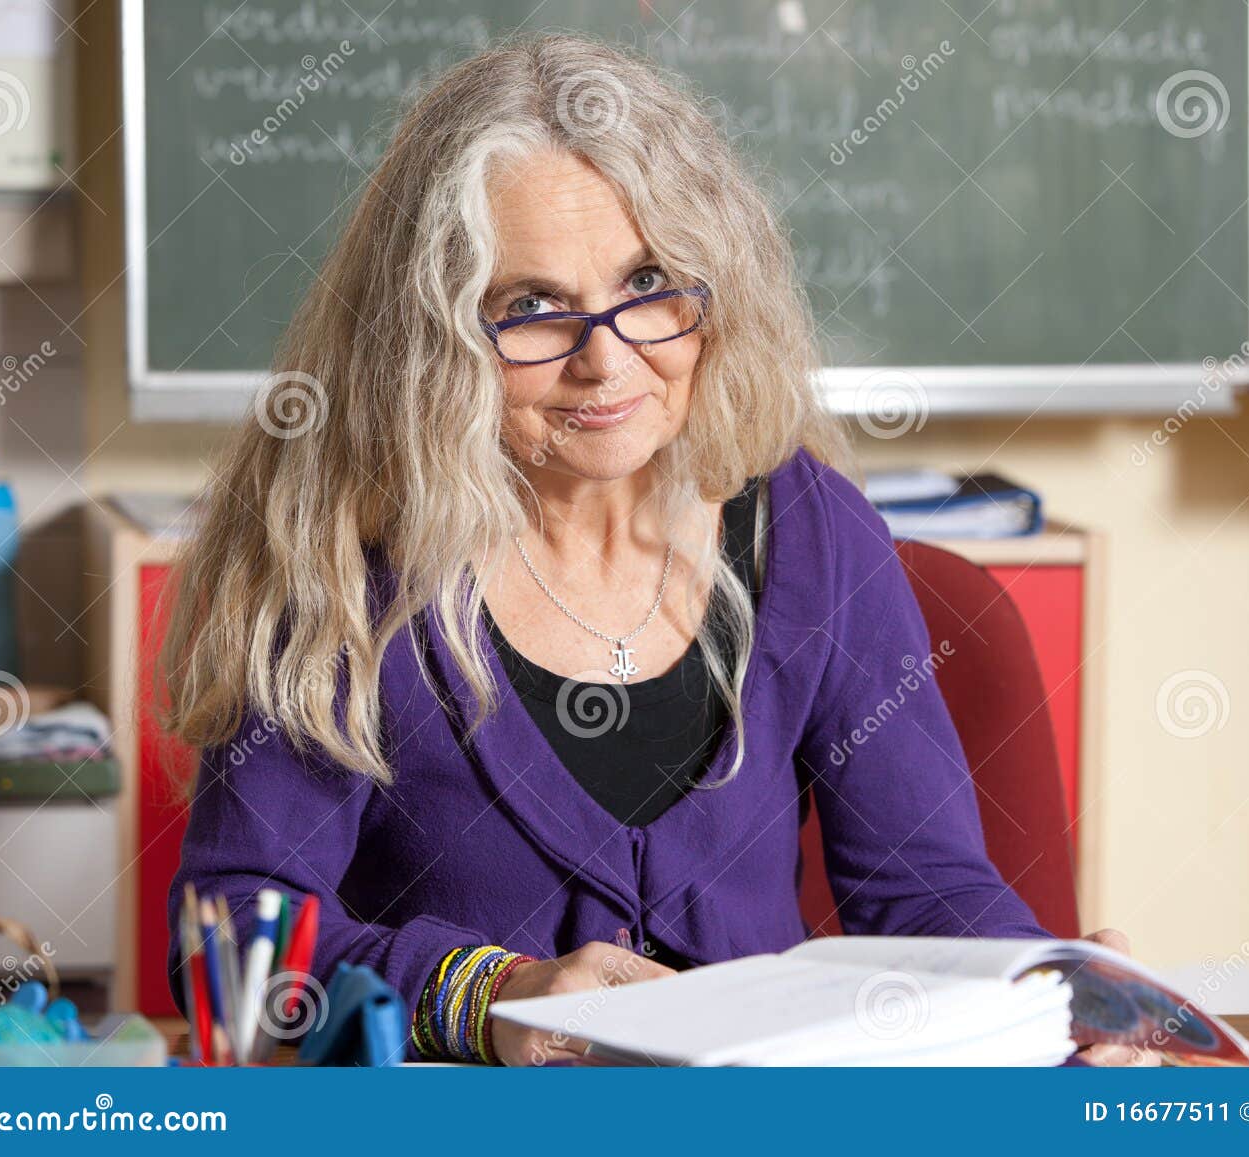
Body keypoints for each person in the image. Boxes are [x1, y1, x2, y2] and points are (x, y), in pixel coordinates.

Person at [161, 33, 1144, 1066]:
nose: (606, 357)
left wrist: (1051, 988)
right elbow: (232, 939)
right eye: (530, 307)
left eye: (650, 280)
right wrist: (488, 995)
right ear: (435, 335)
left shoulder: (811, 527)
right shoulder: (342, 566)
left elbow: (925, 891)